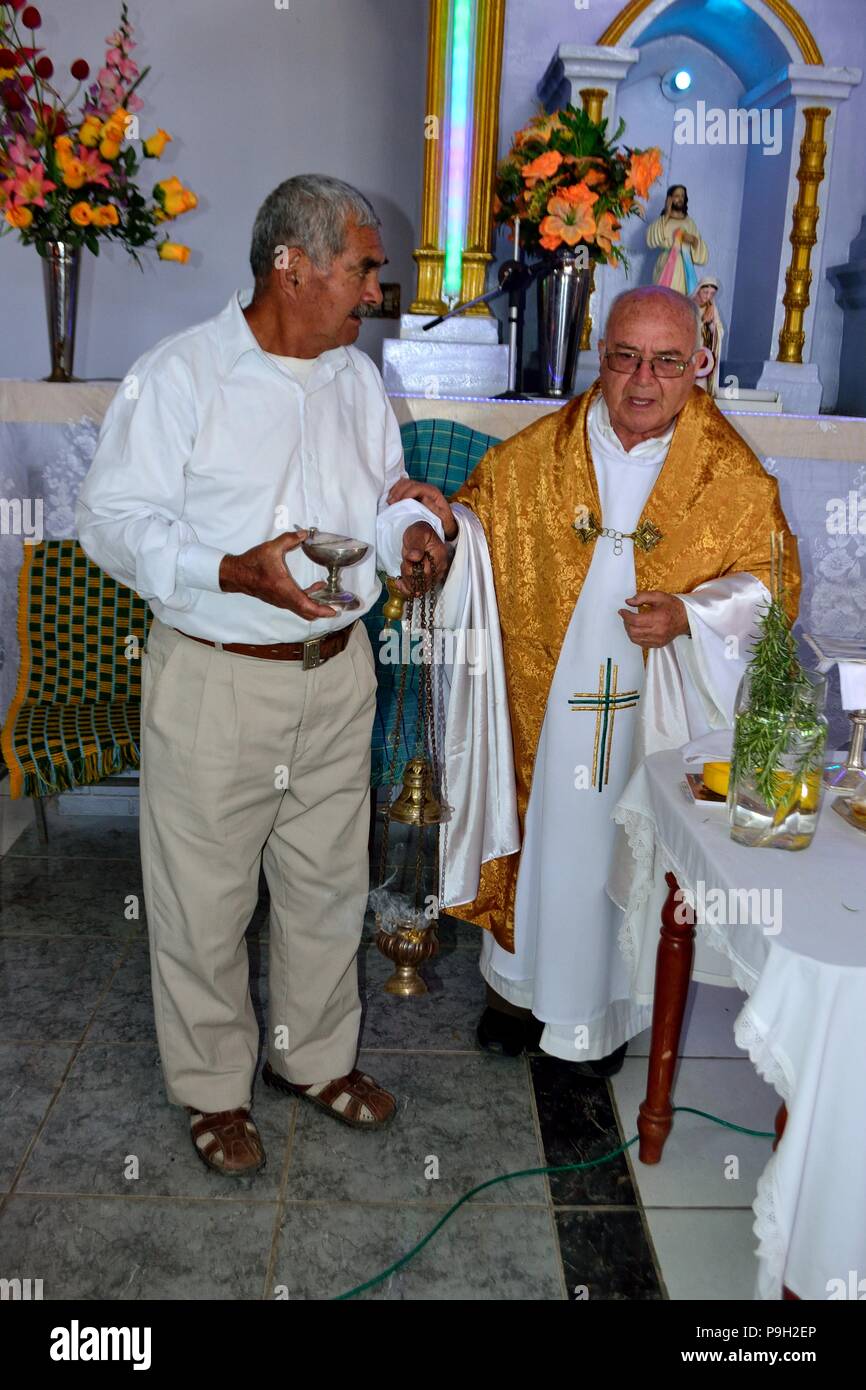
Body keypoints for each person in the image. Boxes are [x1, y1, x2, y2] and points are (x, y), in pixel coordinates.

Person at [76, 174, 451, 1176]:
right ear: (292, 265)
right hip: (217, 677)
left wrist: (410, 533)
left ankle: (312, 1060)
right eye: (363, 265)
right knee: (203, 899)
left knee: (327, 886)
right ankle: (210, 1089)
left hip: (335, 674)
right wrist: (226, 568)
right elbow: (109, 520)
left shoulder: (354, 380)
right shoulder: (181, 376)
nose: (375, 287)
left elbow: (378, 497)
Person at [386, 285, 800, 1073]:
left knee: (619, 840)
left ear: (698, 367)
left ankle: (596, 1019)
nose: (642, 380)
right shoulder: (543, 452)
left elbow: (774, 581)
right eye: (625, 357)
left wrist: (689, 617)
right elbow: (478, 523)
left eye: (667, 362)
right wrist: (444, 537)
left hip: (647, 714)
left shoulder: (731, 476)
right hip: (545, 706)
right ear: (600, 358)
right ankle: (513, 992)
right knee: (542, 835)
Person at [647, 185, 708, 295]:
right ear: (669, 199)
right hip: (665, 263)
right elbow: (651, 240)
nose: (680, 199)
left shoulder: (689, 222)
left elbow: (700, 253)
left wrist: (693, 240)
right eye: (676, 196)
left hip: (683, 268)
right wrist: (667, 214)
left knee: (680, 302)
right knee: (662, 299)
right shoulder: (663, 220)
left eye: (682, 196)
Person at [692, 276, 724, 396]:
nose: (708, 296)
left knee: (701, 386)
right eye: (705, 292)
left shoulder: (712, 308)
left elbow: (719, 330)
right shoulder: (689, 304)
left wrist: (711, 323)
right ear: (699, 289)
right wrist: (703, 321)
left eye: (712, 294)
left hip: (704, 353)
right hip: (691, 350)